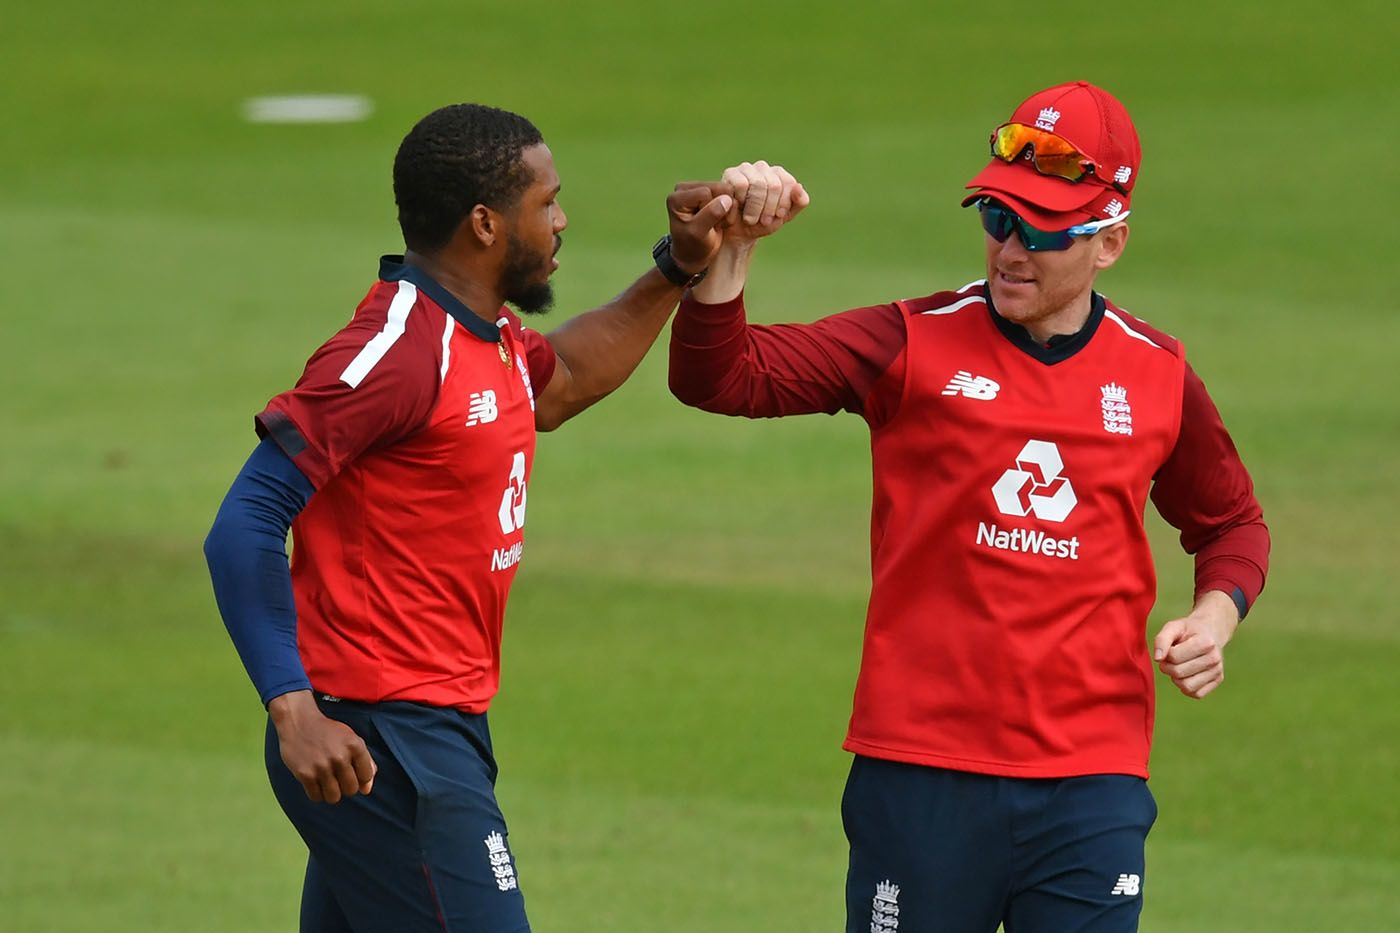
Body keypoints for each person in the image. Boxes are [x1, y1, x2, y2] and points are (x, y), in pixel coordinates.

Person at [669, 81, 1270, 932]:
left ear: (1110, 244)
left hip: (1090, 783)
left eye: (1044, 231)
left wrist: (1215, 616)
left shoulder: (1158, 374)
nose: (1012, 250)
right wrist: (730, 257)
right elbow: (721, 379)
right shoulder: (910, 342)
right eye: (998, 219)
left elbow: (1231, 523)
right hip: (922, 775)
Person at [204, 103, 739, 932]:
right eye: (546, 201)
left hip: (428, 725)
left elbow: (562, 381)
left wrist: (678, 267)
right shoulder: (397, 350)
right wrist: (292, 706)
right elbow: (245, 518)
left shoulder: (482, 338)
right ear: (486, 223)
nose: (561, 220)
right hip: (382, 737)